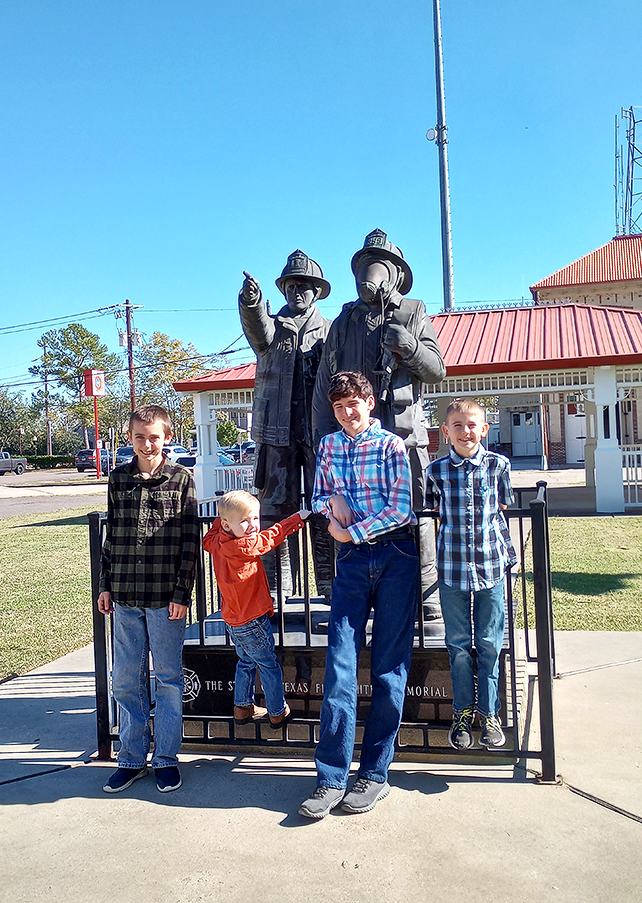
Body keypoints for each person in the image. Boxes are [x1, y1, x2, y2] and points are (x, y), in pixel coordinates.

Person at [298, 371, 420, 819]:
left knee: (389, 667)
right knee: (340, 666)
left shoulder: (390, 445)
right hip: (351, 566)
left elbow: (401, 508)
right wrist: (331, 508)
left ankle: (374, 774)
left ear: (370, 403)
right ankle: (330, 777)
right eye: (339, 407)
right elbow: (316, 497)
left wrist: (350, 532)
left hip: (394, 558)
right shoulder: (328, 446)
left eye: (354, 404)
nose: (347, 414)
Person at [312, 228, 446, 625]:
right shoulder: (343, 321)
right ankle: (356, 592)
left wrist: (410, 346)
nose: (368, 275)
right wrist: (325, 436)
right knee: (348, 508)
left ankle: (426, 592)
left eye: (376, 265)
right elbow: (325, 384)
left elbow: (437, 370)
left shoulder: (414, 311)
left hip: (401, 433)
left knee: (417, 511)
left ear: (394, 272)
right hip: (352, 436)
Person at [97, 404, 199, 794]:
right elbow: (113, 536)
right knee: (125, 679)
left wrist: (181, 593)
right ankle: (131, 759)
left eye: (154, 436)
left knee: (169, 679)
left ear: (167, 437)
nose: (147, 443)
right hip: (124, 595)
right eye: (139, 437)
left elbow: (190, 542)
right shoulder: (119, 478)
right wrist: (106, 584)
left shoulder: (181, 478)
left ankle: (167, 759)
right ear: (130, 438)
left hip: (164, 598)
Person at [239, 250, 333, 602]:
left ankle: (328, 585)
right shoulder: (272, 329)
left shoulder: (330, 331)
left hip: (319, 434)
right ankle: (279, 588)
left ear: (317, 291)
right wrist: (251, 301)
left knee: (325, 506)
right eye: (292, 286)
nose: (297, 292)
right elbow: (255, 323)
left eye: (304, 286)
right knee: (276, 509)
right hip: (276, 433)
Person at [425, 399, 517, 750]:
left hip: (490, 567)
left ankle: (489, 713)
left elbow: (503, 508)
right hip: (451, 570)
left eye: (472, 424)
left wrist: (509, 554)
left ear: (484, 429)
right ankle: (462, 713)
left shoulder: (498, 466)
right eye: (458, 425)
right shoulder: (436, 472)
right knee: (459, 646)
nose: (466, 431)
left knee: (491, 644)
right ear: (446, 432)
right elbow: (434, 510)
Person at [202, 490, 309, 727]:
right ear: (230, 526)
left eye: (255, 519)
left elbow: (208, 536)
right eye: (244, 521)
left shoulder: (217, 543)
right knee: (269, 665)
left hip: (232, 619)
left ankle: (242, 707)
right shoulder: (246, 545)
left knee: (245, 662)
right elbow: (274, 535)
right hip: (253, 620)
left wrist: (223, 519)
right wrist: (297, 519)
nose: (252, 525)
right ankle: (277, 711)